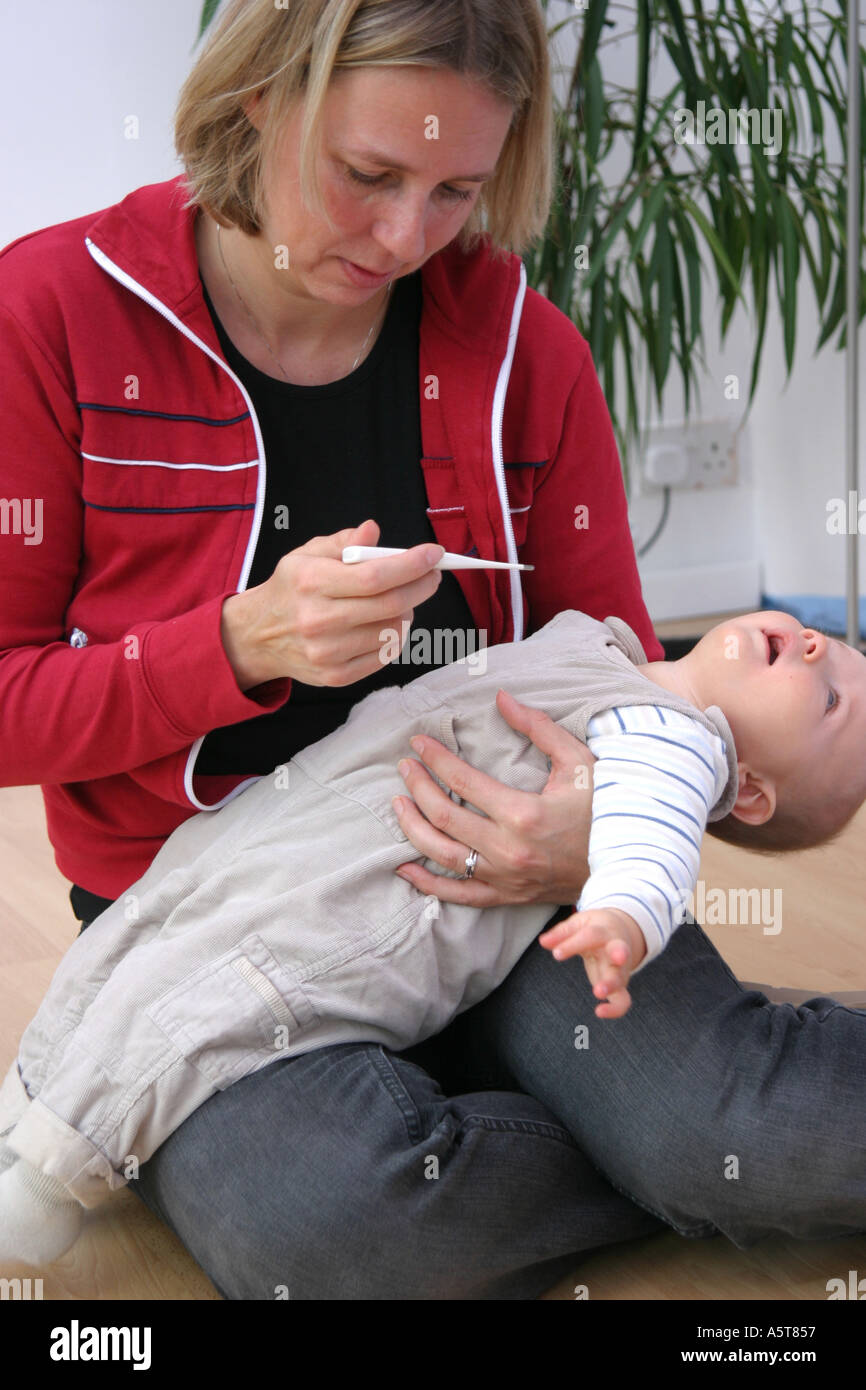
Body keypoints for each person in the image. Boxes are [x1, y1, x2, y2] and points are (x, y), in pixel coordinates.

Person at [0, 0, 864, 1299]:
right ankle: (650, 1159)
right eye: (367, 176)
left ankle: (671, 1145)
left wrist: (586, 834)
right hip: (233, 928)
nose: (407, 238)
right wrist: (231, 646)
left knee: (751, 1133)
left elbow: (632, 673)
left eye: (457, 190)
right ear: (257, 103)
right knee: (326, 1231)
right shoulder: (54, 312)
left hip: (524, 901)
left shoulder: (524, 349)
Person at [2, 602, 865, 1266]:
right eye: (829, 639)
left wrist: (621, 905)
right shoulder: (604, 651)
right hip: (281, 832)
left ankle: (47, 1167)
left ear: (747, 793)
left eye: (830, 701)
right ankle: (652, 1126)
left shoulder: (680, 743)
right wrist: (236, 638)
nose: (820, 647)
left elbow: (651, 834)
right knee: (155, 947)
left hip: (431, 910)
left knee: (209, 1002)